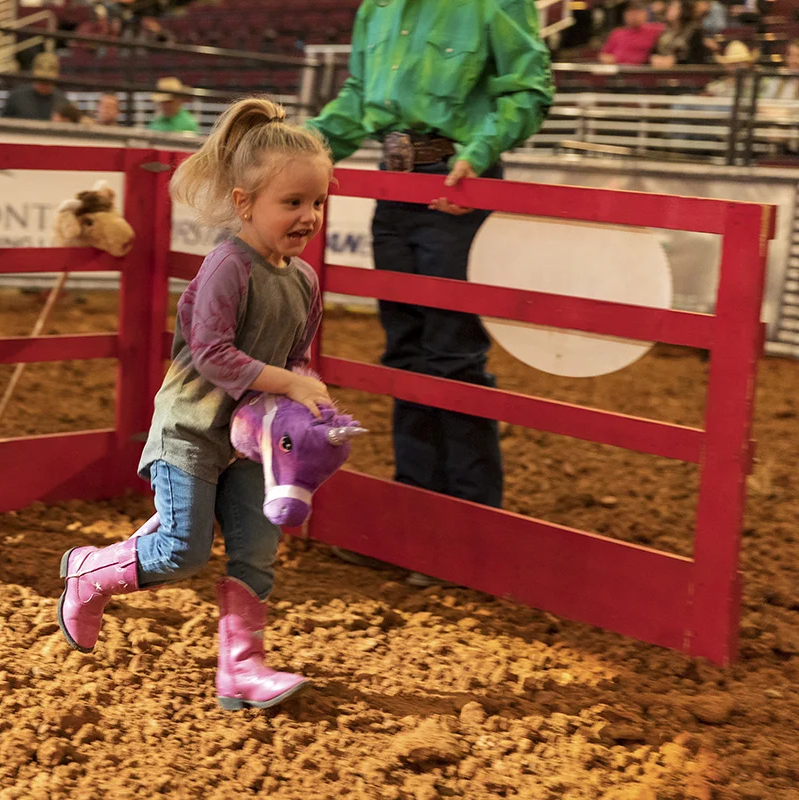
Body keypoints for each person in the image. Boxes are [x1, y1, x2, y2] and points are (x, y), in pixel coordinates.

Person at [57, 99, 330, 711]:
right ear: (244, 204)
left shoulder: (305, 281)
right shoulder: (226, 267)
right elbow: (212, 355)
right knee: (179, 551)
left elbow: (297, 359)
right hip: (192, 431)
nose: (308, 216)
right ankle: (88, 573)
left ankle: (241, 670)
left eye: (316, 202)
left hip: (252, 440)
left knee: (257, 550)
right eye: (293, 203)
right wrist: (288, 385)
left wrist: (303, 407)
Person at [306, 0, 554, 581]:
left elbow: (529, 89)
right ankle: (411, 519)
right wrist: (300, 146)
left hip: (457, 188)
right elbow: (358, 100)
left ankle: (470, 530)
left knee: (451, 356)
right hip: (394, 189)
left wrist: (479, 152)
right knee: (406, 352)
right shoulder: (378, 9)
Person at [1, 52, 67, 120]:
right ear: (33, 72)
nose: (44, 84)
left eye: (47, 81)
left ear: (57, 75)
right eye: (41, 80)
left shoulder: (62, 102)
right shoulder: (16, 97)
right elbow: (1, 125)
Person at [600, 1, 665, 65]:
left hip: (642, 71)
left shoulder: (655, 30)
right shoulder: (617, 33)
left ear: (645, 14)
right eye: (630, 13)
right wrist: (609, 59)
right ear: (625, 15)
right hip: (618, 70)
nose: (633, 17)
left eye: (637, 12)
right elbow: (603, 55)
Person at [650, 0, 707, 66]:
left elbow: (697, 58)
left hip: (685, 72)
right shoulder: (665, 30)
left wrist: (676, 60)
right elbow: (654, 51)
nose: (669, 9)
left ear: (684, 10)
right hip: (662, 71)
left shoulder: (694, 31)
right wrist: (655, 58)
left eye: (674, 7)